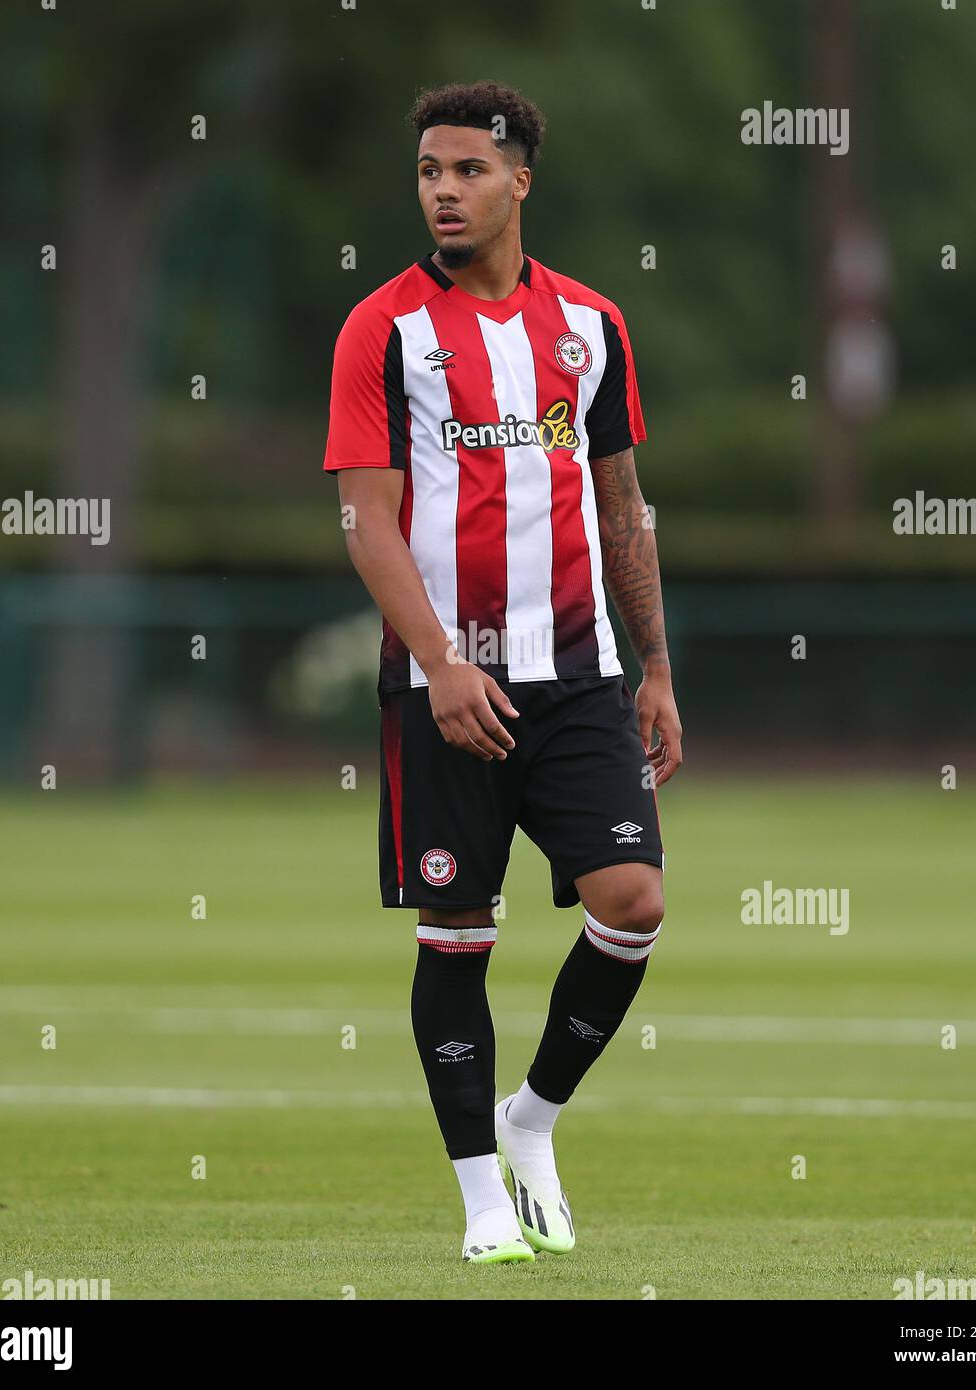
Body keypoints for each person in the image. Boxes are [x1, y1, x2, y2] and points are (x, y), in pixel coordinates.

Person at [323, 79, 683, 1264]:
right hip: (444, 687)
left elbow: (624, 510)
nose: (444, 190)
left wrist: (656, 671)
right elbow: (367, 521)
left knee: (634, 903)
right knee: (456, 929)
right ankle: (482, 1199)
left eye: (468, 170)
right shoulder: (383, 331)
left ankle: (532, 1119)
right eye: (429, 170)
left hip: (576, 675)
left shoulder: (591, 325)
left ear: (519, 180)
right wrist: (437, 661)